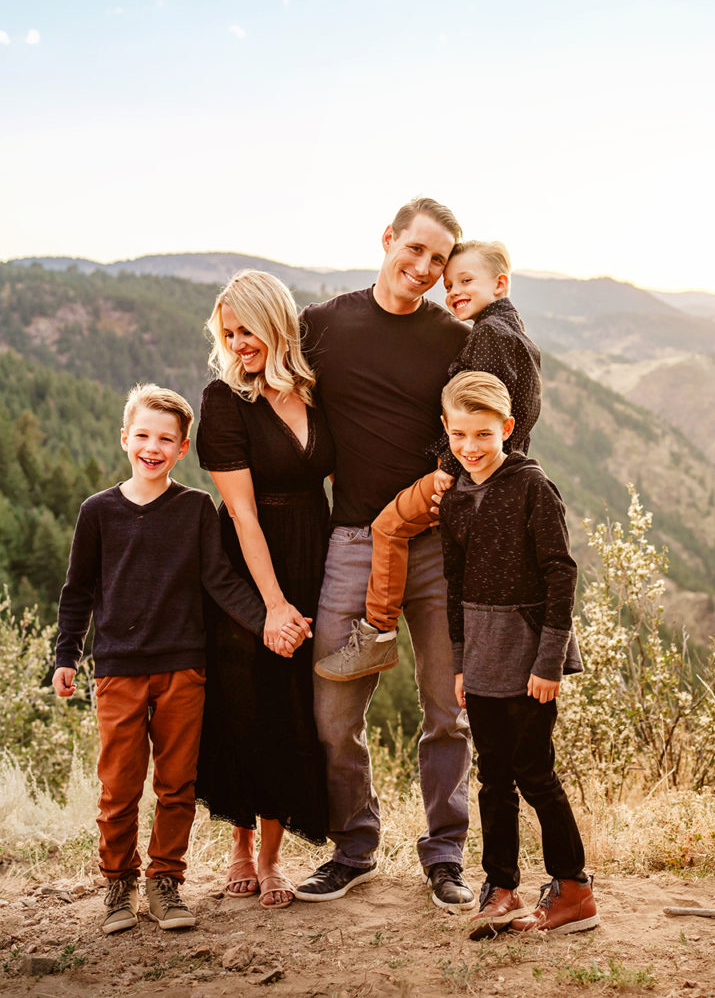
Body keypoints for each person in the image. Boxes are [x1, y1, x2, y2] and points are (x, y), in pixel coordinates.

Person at [294, 198, 476, 909]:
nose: (425, 269)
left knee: (446, 710)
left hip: (434, 546)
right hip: (352, 544)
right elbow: (270, 389)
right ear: (388, 239)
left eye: (439, 260)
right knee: (333, 714)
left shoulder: (449, 338)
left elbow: (489, 414)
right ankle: (356, 845)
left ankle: (446, 854)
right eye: (417, 251)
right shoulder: (325, 325)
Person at [53, 384, 269, 935]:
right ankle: (119, 884)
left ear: (183, 448)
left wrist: (269, 617)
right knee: (119, 786)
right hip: (118, 670)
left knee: (177, 784)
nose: (153, 447)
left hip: (183, 669)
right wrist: (67, 656)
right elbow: (78, 591)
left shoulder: (195, 508)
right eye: (143, 435)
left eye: (165, 439)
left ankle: (166, 880)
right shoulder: (97, 512)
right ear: (125, 437)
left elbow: (219, 580)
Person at [316, 240, 542, 687]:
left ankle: (378, 633)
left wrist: (446, 464)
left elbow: (477, 412)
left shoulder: (489, 336)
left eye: (467, 281)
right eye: (450, 283)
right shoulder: (517, 336)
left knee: (389, 526)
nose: (454, 291)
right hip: (488, 472)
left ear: (500, 284)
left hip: (461, 472)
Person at [436, 370, 594, 938]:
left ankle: (573, 888)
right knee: (492, 779)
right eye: (459, 435)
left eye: (483, 434)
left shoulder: (532, 486)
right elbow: (453, 585)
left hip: (530, 660)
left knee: (535, 775)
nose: (470, 448)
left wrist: (549, 662)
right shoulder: (453, 498)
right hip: (480, 658)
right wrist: (459, 661)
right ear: (447, 433)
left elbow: (561, 573)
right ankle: (501, 887)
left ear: (506, 428)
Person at [193, 270, 332, 910]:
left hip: (315, 553)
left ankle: (274, 857)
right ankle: (241, 848)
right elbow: (243, 516)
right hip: (253, 569)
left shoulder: (314, 388)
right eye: (229, 333)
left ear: (276, 323)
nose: (238, 343)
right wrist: (272, 605)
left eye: (247, 329)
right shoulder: (224, 400)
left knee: (293, 708)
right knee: (249, 705)